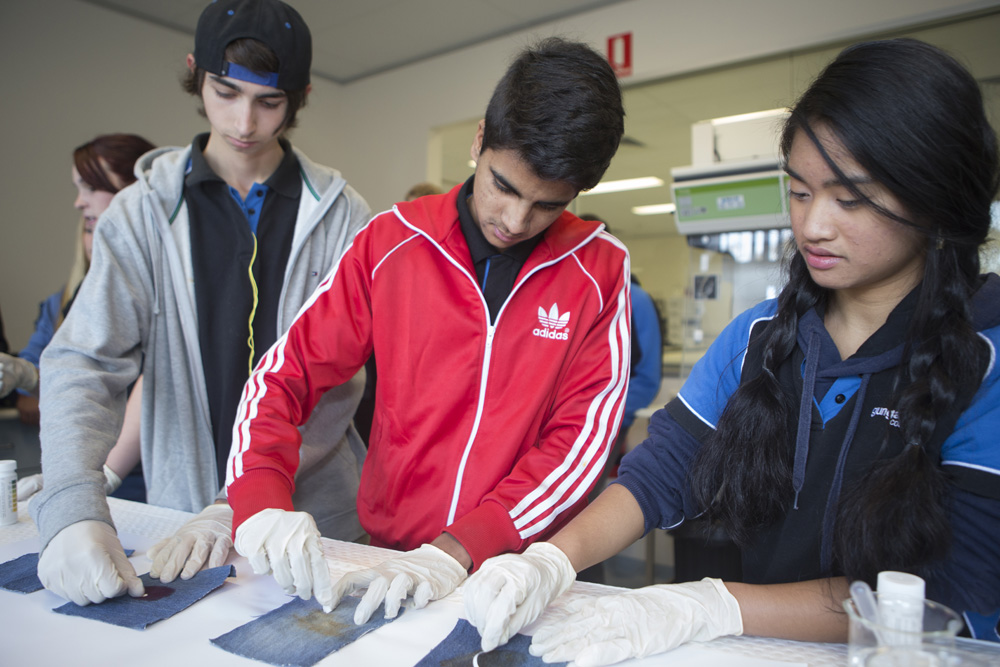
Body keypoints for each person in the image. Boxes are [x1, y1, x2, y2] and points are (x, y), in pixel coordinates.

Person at [463, 37, 1000, 663]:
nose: (812, 226)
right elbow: (662, 471)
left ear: (935, 199)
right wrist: (552, 560)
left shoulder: (985, 362)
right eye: (800, 192)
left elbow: (953, 589)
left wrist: (713, 605)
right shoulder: (757, 338)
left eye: (850, 199)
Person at [225, 37, 629, 621]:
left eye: (547, 205)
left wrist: (462, 547)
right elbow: (284, 376)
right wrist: (259, 498)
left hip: (521, 573)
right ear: (479, 141)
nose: (515, 221)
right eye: (504, 186)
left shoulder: (598, 270)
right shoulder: (391, 242)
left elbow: (580, 441)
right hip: (391, 556)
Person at [30, 0, 372, 607]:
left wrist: (240, 496)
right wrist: (73, 506)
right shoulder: (142, 211)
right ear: (195, 72)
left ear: (301, 96)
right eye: (225, 92)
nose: (245, 121)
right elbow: (85, 360)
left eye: (269, 102)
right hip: (183, 519)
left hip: (314, 520)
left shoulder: (342, 215)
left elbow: (337, 384)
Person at [5, 134, 154, 506]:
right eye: (88, 228)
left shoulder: (161, 291)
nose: (78, 201)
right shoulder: (67, 302)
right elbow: (64, 381)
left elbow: (154, 385)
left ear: (133, 189)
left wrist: (100, 473)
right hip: (94, 467)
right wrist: (26, 376)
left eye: (90, 187)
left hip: (147, 481)